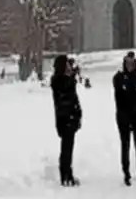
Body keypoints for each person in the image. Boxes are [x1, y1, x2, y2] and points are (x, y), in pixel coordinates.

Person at [113, 51, 136, 185]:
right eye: (128, 63)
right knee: (125, 144)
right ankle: (126, 172)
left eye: (132, 63)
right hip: (124, 116)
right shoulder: (119, 78)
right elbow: (119, 98)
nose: (130, 66)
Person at [51, 54, 83, 187]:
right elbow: (66, 94)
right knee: (66, 150)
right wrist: (72, 77)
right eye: (68, 66)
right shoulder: (59, 80)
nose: (70, 68)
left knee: (68, 149)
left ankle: (67, 174)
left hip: (69, 118)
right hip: (65, 119)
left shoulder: (64, 79)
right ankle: (65, 176)